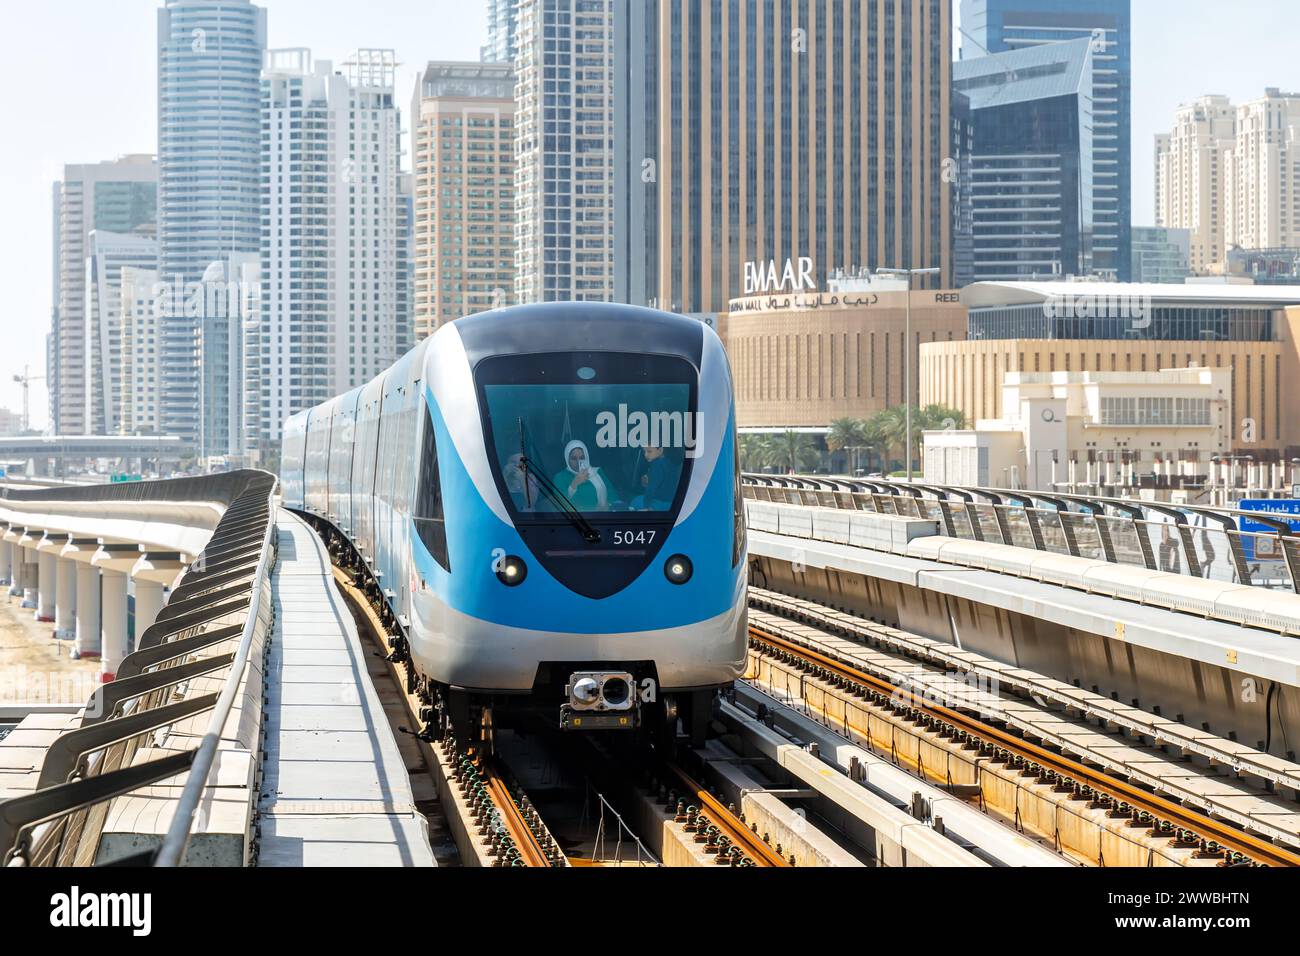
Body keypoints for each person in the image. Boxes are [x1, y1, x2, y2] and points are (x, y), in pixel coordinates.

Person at [553, 440, 616, 512]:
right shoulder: (560, 478)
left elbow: (612, 494)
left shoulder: (597, 472)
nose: (578, 462)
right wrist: (574, 484)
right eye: (574, 458)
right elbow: (560, 504)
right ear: (567, 459)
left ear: (587, 457)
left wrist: (609, 505)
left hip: (605, 518)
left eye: (582, 458)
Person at [632, 445, 676, 511]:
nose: (645, 455)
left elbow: (651, 489)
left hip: (659, 503)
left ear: (660, 450)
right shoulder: (668, 462)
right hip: (670, 503)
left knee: (635, 501)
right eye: (644, 452)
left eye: (649, 451)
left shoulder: (657, 464)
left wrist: (646, 507)